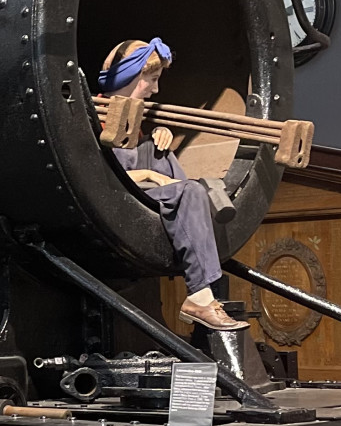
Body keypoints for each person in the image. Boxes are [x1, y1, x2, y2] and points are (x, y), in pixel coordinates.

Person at [98, 38, 245, 332]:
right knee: (190, 191)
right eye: (151, 79)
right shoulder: (94, 119)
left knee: (161, 151)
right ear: (130, 76)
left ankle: (196, 207)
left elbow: (139, 158)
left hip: (143, 192)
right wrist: (150, 175)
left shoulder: (132, 120)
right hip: (117, 198)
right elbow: (102, 177)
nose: (155, 90)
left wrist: (159, 134)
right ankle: (201, 297)